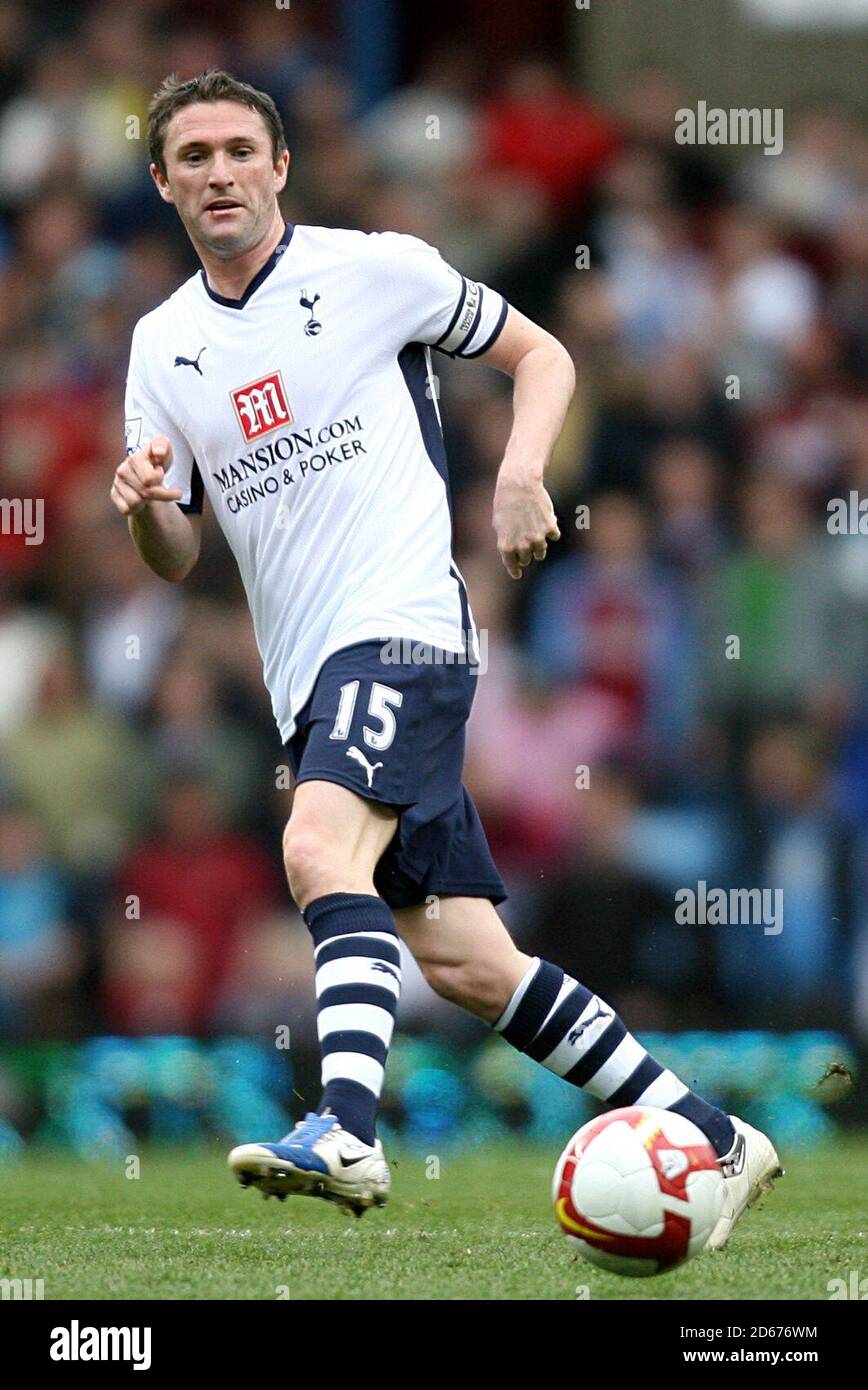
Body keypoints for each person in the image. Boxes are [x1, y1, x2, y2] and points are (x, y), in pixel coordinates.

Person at [112, 70, 780, 1246]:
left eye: (237, 150)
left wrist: (521, 473)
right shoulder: (163, 346)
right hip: (306, 674)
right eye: (193, 157)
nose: (218, 172)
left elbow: (545, 356)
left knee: (318, 847)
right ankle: (716, 1134)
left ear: (279, 168)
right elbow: (175, 553)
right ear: (163, 181)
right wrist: (145, 508)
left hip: (406, 623)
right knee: (469, 960)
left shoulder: (376, 269)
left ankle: (349, 1126)